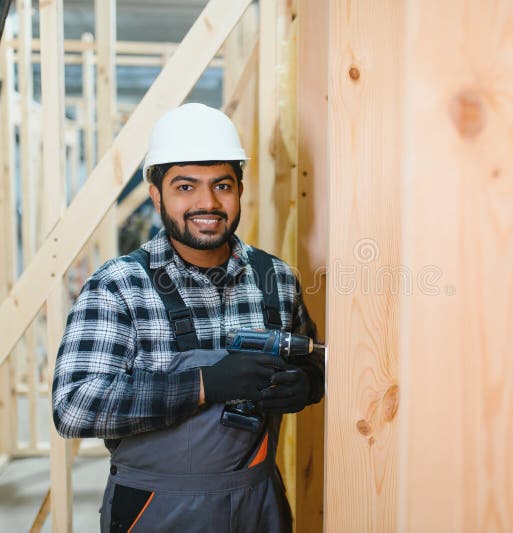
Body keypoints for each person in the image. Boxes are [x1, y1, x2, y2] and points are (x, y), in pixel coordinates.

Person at [52, 103, 324, 532]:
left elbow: (314, 358)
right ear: (156, 193)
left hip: (259, 505)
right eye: (185, 187)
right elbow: (75, 407)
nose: (207, 203)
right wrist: (202, 385)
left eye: (222, 185)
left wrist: (309, 384)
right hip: (155, 509)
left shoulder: (276, 279)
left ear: (239, 189)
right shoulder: (118, 287)